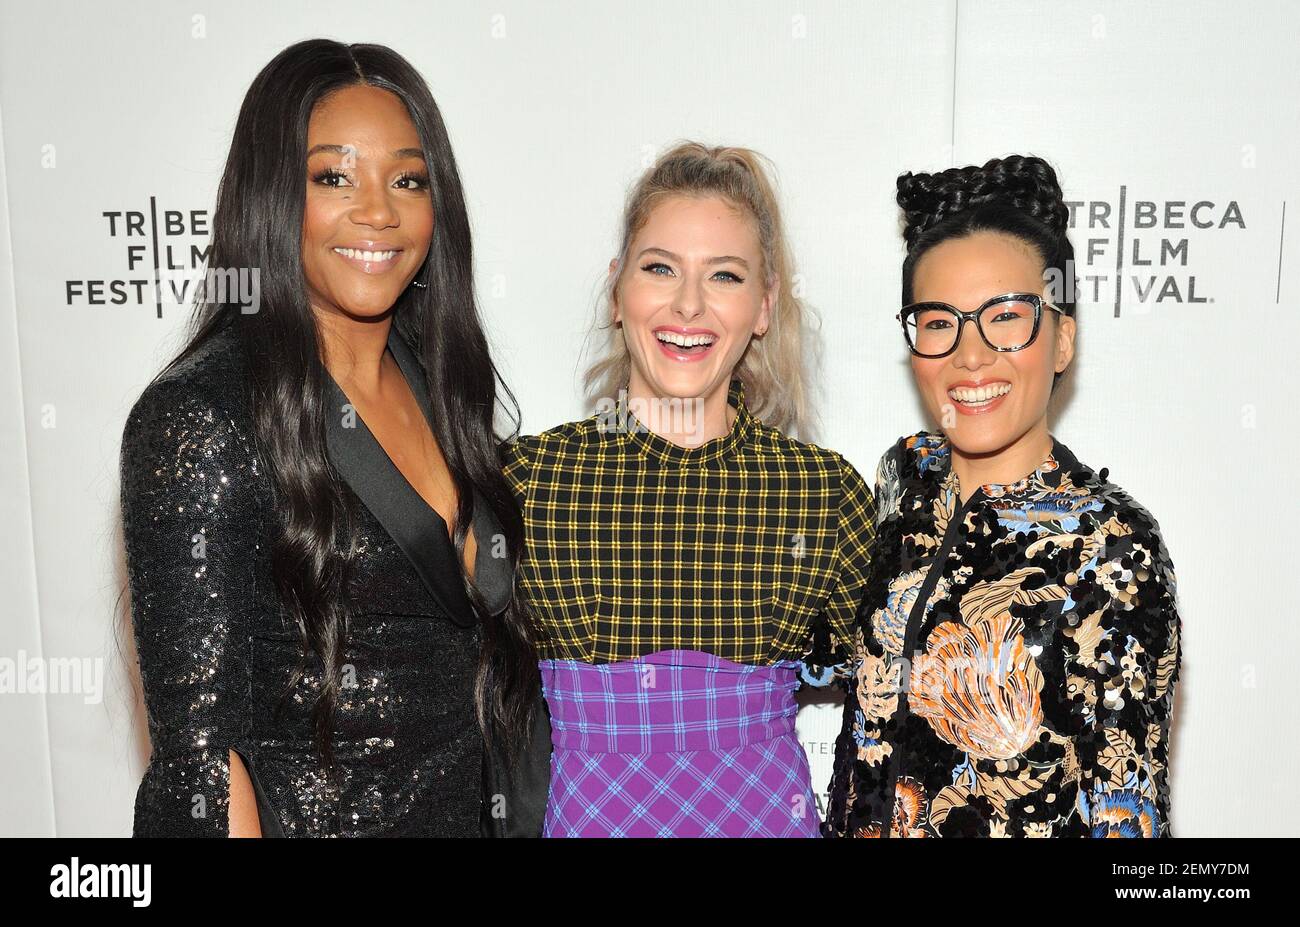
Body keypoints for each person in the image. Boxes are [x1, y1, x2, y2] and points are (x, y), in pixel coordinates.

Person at [121, 39, 540, 837]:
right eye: (333, 177)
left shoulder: (441, 386)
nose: (377, 210)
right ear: (273, 194)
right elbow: (204, 763)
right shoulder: (201, 416)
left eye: (407, 180)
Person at [503, 142, 875, 837]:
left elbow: (895, 713)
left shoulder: (821, 494)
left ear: (764, 307)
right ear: (618, 290)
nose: (688, 304)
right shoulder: (529, 480)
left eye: (725, 276)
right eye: (660, 268)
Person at [824, 155, 1182, 838]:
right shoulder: (903, 478)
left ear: (1062, 338)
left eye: (1007, 317)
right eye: (939, 321)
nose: (971, 355)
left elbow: (1128, 806)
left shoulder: (1114, 545)